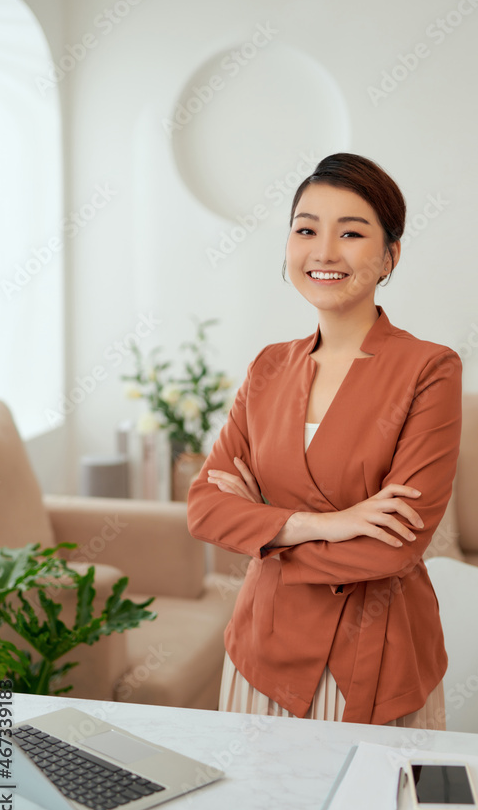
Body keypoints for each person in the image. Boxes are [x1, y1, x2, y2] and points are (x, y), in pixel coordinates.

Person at [187, 152, 462, 728]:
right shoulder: (268, 367)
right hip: (261, 651)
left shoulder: (429, 370)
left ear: (390, 255)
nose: (324, 251)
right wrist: (326, 523)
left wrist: (264, 524)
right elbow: (206, 510)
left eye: (352, 233)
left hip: (372, 659)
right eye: (306, 229)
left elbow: (395, 546)